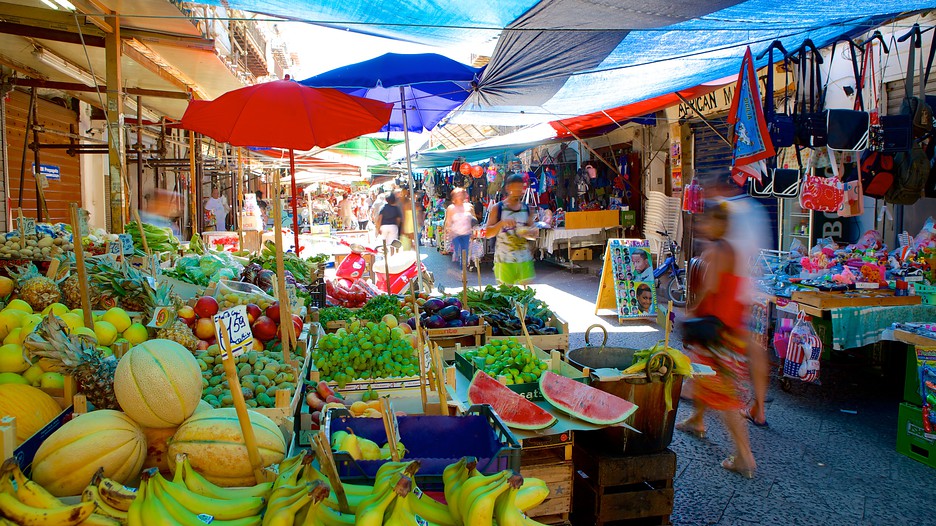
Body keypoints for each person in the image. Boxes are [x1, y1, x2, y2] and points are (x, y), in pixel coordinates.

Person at [676, 200, 756, 479]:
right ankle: (697, 420)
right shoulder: (730, 249)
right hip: (726, 328)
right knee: (703, 376)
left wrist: (690, 316)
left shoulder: (718, 251)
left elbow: (709, 290)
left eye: (706, 221)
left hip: (718, 332)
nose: (701, 226)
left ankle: (744, 457)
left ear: (719, 224)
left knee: (725, 397)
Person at [484, 173, 537, 286]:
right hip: (504, 261)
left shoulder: (526, 208)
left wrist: (531, 232)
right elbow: (488, 233)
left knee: (526, 296)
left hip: (524, 260)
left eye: (520, 188)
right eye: (515, 188)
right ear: (508, 188)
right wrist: (502, 223)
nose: (518, 191)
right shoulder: (498, 208)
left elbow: (533, 232)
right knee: (507, 296)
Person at [445, 187, 475, 266]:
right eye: (458, 195)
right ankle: (458, 265)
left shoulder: (469, 206)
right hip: (456, 234)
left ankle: (463, 271)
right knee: (459, 252)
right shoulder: (451, 208)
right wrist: (448, 231)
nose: (460, 196)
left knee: (465, 252)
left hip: (467, 234)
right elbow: (448, 221)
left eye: (462, 194)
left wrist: (474, 231)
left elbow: (474, 220)